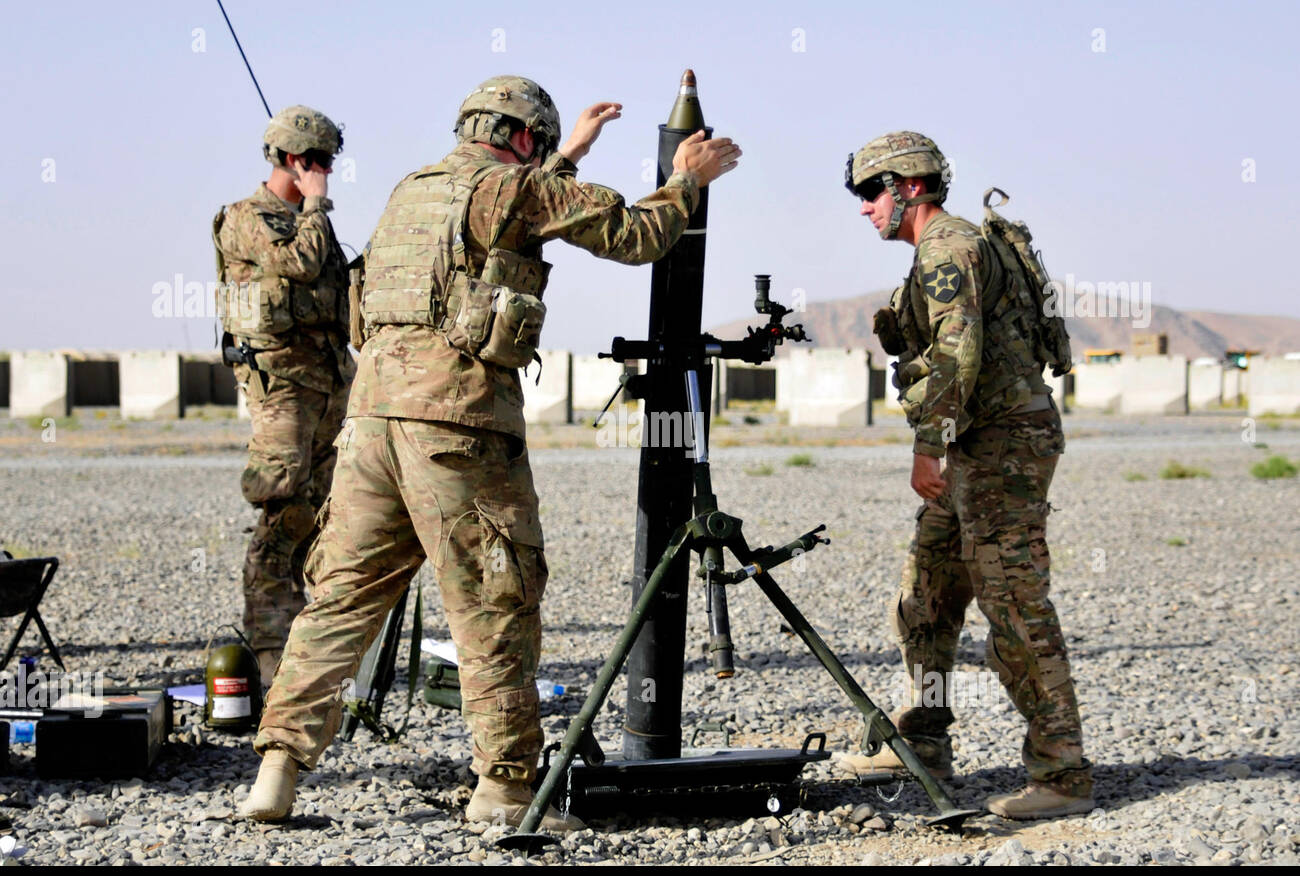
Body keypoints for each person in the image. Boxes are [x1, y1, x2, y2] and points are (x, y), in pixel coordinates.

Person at [238, 76, 742, 830]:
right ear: (522, 140)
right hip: (460, 430)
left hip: (372, 425)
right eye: (539, 148)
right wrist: (685, 182)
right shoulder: (511, 186)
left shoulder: (415, 189)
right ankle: (506, 790)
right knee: (495, 601)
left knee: (342, 598)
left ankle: (276, 770)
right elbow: (638, 236)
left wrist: (566, 153)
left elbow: (362, 300)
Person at [837, 131, 1094, 820]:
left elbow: (958, 354)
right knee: (927, 591)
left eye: (870, 193)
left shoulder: (949, 248)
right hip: (978, 440)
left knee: (1013, 603)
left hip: (1001, 446)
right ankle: (924, 740)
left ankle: (1062, 774)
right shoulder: (945, 248)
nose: (864, 210)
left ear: (908, 187)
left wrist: (929, 444)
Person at [213, 105, 355, 688]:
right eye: (320, 162)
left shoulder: (308, 222)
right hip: (283, 392)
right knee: (279, 513)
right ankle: (271, 654)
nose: (326, 172)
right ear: (296, 160)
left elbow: (340, 286)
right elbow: (298, 263)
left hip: (328, 386)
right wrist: (317, 203)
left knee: (320, 510)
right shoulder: (251, 218)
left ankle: (307, 646)